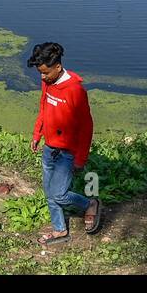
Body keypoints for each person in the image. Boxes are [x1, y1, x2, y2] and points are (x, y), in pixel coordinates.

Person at [28, 41, 100, 244]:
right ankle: (60, 230)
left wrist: (80, 159)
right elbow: (43, 109)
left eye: (45, 72)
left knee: (59, 194)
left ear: (58, 67)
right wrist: (37, 134)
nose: (42, 77)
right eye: (40, 73)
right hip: (49, 148)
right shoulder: (47, 83)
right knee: (49, 192)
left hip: (67, 152)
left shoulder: (76, 91)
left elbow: (87, 128)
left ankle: (89, 203)